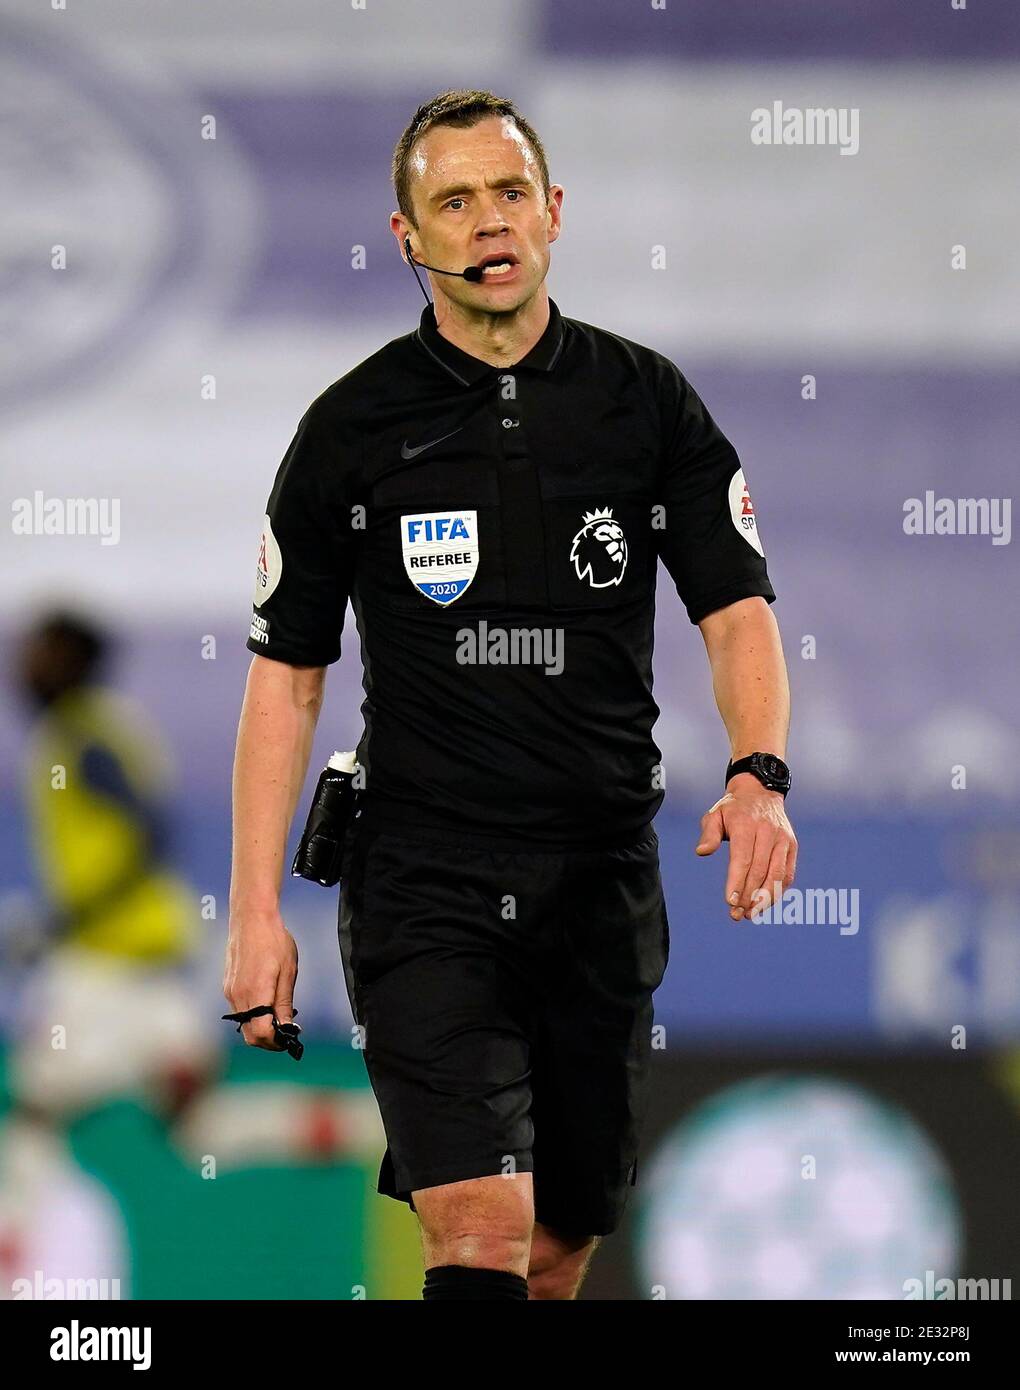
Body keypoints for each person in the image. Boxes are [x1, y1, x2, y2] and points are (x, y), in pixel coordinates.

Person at [224, 89, 797, 1301]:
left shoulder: (647, 403)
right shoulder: (350, 431)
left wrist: (758, 773)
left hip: (600, 879)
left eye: (509, 193)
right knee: (480, 1228)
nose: (489, 221)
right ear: (408, 238)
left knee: (553, 1250)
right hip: (424, 878)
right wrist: (253, 908)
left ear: (553, 212)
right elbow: (287, 679)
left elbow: (737, 611)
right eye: (455, 201)